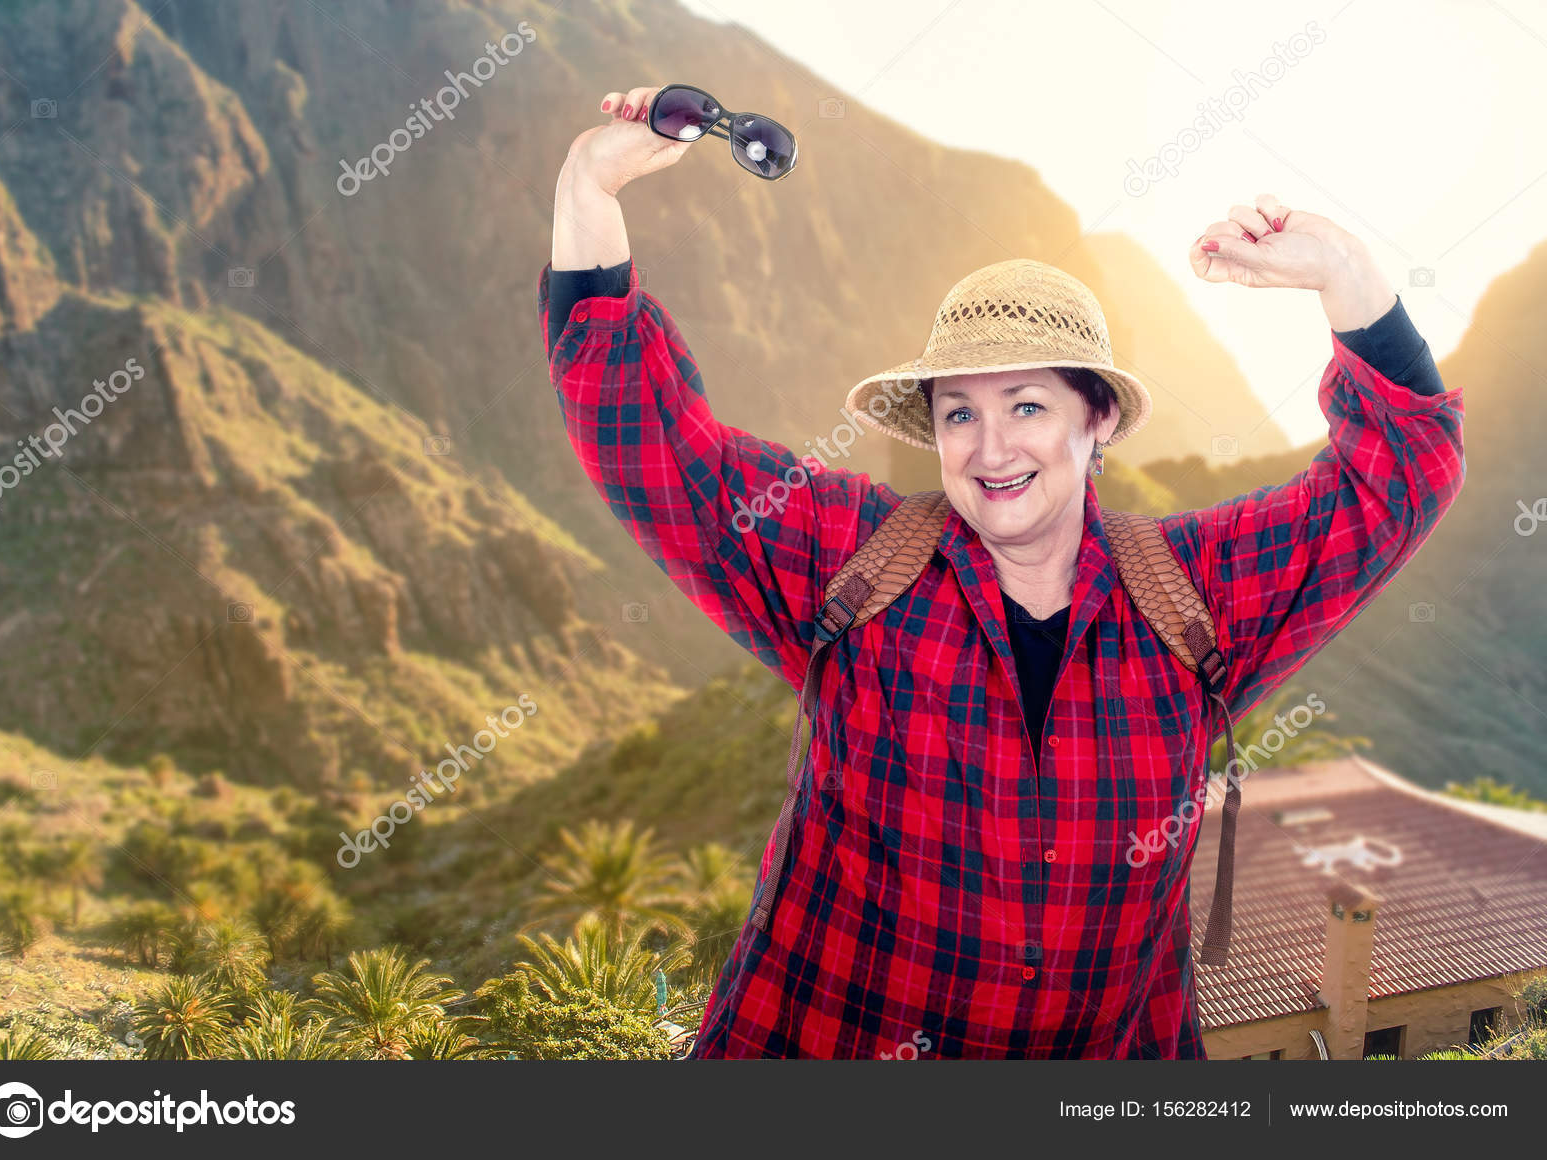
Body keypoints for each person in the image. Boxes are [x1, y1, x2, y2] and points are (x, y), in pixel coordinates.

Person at [537, 84, 1465, 1058]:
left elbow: (1398, 476)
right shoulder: (849, 559)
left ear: (1096, 418)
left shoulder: (1193, 593)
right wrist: (586, 191)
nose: (989, 447)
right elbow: (648, 444)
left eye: (1026, 404)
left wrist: (1343, 271)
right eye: (958, 413)